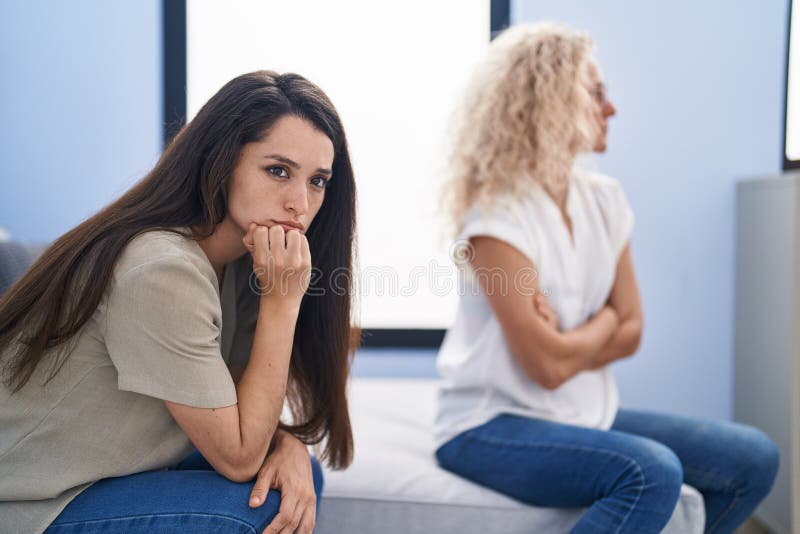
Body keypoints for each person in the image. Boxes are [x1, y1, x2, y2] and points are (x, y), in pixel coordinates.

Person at [434, 22, 778, 533]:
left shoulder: (605, 200)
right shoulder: (496, 218)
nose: (611, 108)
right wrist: (603, 324)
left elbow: (633, 329)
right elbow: (546, 368)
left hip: (583, 414)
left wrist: (572, 338)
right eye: (596, 93)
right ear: (549, 101)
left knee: (752, 457)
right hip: (490, 425)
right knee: (649, 471)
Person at [0, 70, 357, 534]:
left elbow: (238, 407)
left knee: (299, 478)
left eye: (318, 181)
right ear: (223, 162)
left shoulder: (250, 265)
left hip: (107, 477)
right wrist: (283, 304)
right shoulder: (160, 269)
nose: (300, 203)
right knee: (262, 506)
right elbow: (239, 456)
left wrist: (288, 445)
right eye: (278, 171)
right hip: (31, 500)